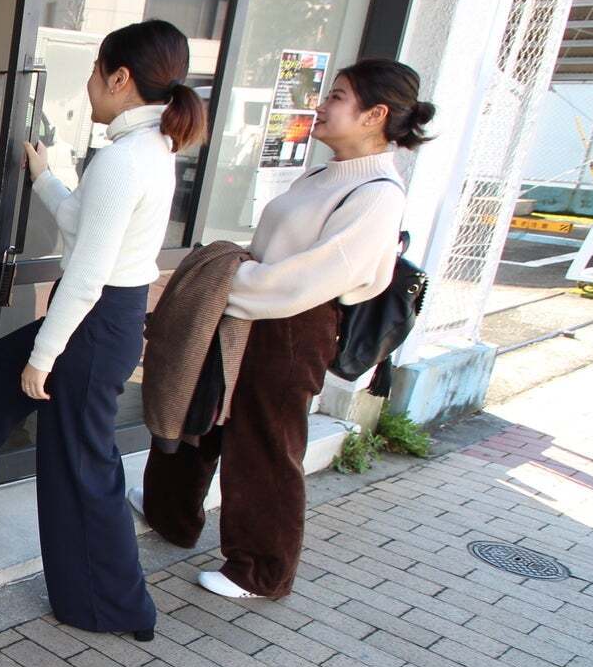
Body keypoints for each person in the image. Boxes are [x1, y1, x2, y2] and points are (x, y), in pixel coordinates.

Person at [0, 19, 207, 642]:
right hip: (103, 318)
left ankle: (114, 607)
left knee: (81, 466)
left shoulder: (128, 159)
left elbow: (85, 273)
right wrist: (44, 174)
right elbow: (83, 221)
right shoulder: (147, 148)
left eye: (97, 70)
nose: (90, 83)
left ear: (120, 78)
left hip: (93, 321)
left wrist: (43, 357)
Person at [137, 58, 434, 600]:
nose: (322, 106)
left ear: (376, 115)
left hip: (292, 329)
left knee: (266, 444)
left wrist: (226, 284)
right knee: (203, 413)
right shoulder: (329, 173)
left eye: (338, 97)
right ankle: (172, 518)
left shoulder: (376, 194)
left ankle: (261, 572)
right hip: (253, 314)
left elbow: (310, 280)